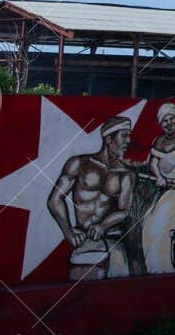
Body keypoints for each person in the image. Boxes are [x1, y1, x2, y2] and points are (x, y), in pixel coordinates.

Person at [48, 116, 145, 278]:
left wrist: (103, 226)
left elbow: (123, 210)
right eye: (124, 135)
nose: (128, 141)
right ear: (108, 139)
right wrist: (68, 232)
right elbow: (55, 199)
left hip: (113, 241)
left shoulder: (126, 174)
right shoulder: (79, 163)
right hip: (85, 243)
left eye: (129, 135)